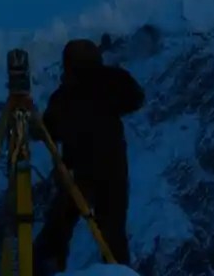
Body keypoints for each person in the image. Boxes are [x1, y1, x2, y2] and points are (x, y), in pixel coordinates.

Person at [33, 38, 144, 274]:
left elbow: (47, 131)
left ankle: (48, 269)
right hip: (112, 167)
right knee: (113, 230)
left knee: (58, 227)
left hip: (77, 170)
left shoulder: (64, 96)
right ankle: (118, 271)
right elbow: (136, 99)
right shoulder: (113, 82)